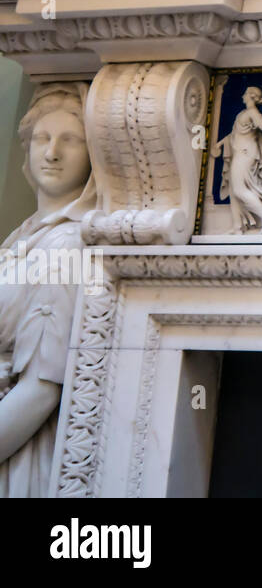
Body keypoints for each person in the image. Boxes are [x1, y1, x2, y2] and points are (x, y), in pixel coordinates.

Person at [0, 85, 95, 497]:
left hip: (17, 448)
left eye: (70, 140)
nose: (52, 152)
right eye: (42, 138)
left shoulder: (67, 245)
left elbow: (42, 388)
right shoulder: (23, 237)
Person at [216, 86, 262, 234]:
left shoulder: (253, 113)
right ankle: (238, 226)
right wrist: (218, 144)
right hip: (239, 153)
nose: (243, 96)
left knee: (239, 189)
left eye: (245, 93)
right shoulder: (243, 113)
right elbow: (233, 135)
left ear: (251, 96)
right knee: (233, 189)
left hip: (246, 154)